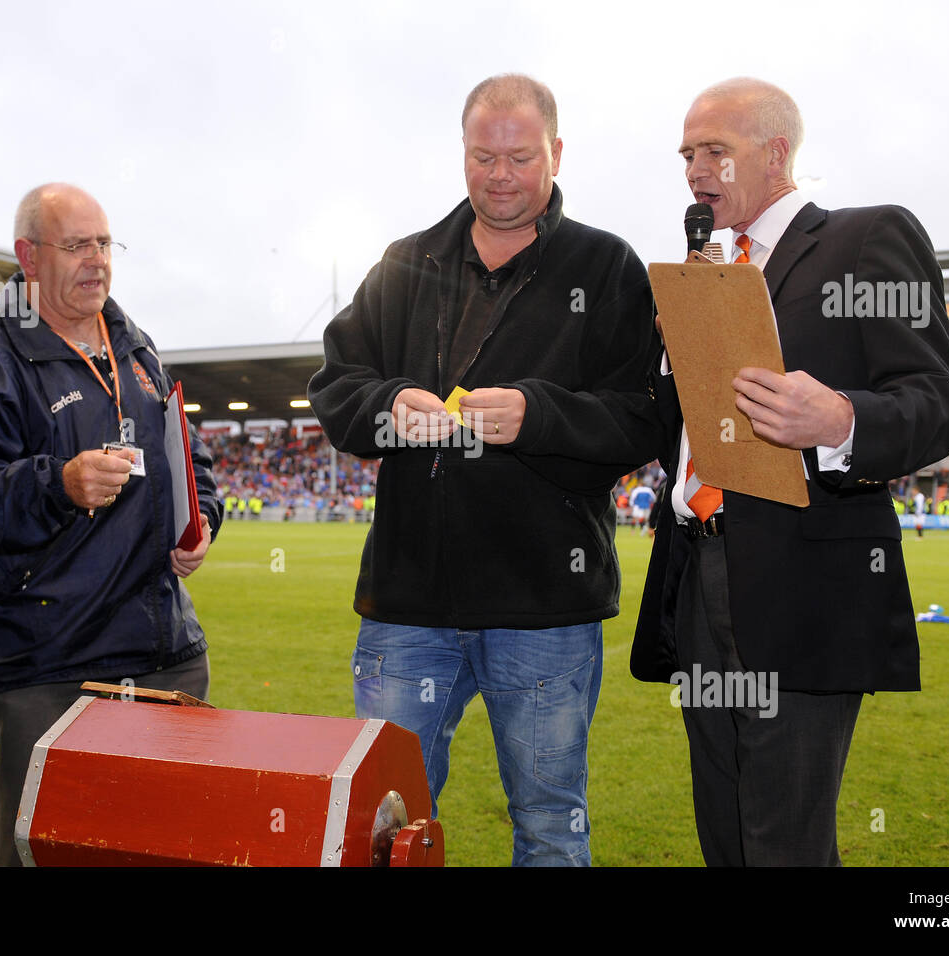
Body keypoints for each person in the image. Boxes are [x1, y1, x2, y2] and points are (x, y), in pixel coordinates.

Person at [308, 74, 661, 866]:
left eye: (520, 157)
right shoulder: (405, 263)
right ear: (462, 155)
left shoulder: (606, 268)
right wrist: (390, 402)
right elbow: (335, 385)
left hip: (544, 607)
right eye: (482, 156)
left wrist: (540, 414)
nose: (500, 175)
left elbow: (645, 416)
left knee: (547, 823)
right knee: (383, 826)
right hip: (408, 605)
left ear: (556, 153)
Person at [630, 78, 949, 866]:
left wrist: (842, 420)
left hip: (803, 584)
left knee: (783, 842)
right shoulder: (702, 273)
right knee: (724, 829)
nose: (695, 170)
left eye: (717, 150)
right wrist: (664, 357)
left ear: (777, 153)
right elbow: (672, 431)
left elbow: (941, 401)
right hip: (696, 569)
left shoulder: (866, 239)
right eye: (688, 154)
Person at [0, 183, 223, 866]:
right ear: (29, 256)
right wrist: (56, 484)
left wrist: (200, 520)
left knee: (156, 847)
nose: (97, 260)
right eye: (76, 245)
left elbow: (190, 454)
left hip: (162, 651)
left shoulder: (136, 345)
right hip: (49, 661)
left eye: (104, 243)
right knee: (42, 852)